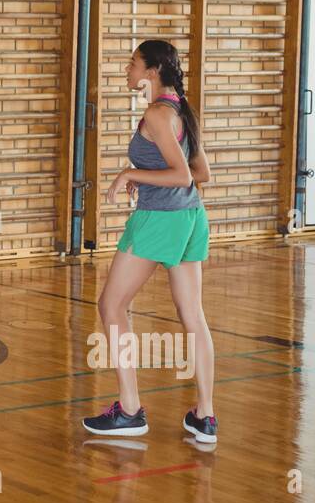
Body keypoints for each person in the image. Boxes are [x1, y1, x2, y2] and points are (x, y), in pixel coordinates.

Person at [81, 40, 217, 443]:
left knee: (111, 305)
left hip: (161, 219)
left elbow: (183, 175)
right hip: (192, 217)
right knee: (193, 315)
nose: (128, 69)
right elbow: (202, 173)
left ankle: (129, 410)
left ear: (153, 71)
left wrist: (131, 174)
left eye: (133, 63)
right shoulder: (180, 109)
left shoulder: (158, 114)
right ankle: (204, 416)